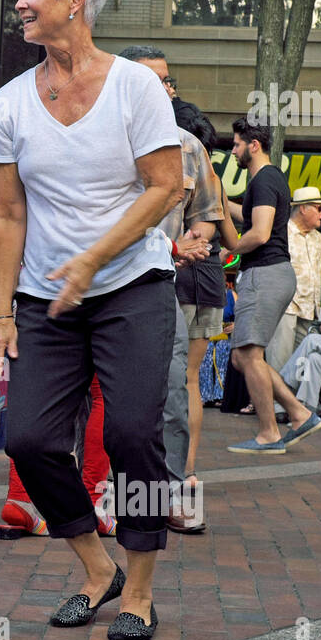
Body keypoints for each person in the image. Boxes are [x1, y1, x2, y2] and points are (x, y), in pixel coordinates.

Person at [0, 0, 183, 640]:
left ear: (75, 1)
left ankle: (141, 587)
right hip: (46, 300)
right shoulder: (10, 102)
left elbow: (167, 186)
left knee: (133, 431)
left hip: (132, 286)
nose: (20, 2)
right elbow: (6, 216)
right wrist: (3, 312)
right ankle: (95, 567)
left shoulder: (134, 87)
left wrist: (94, 256)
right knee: (31, 438)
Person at [119, 44, 225, 534]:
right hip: (95, 285)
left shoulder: (187, 146)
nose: (164, 89)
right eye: (152, 80)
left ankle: (172, 491)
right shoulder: (99, 136)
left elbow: (206, 216)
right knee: (99, 396)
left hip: (160, 286)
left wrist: (190, 242)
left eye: (167, 81)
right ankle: (101, 489)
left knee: (173, 392)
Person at [224, 115, 321, 453]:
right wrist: (223, 203)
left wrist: (231, 249)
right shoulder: (267, 180)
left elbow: (260, 232)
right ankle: (299, 413)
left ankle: (269, 434)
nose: (233, 149)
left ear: (254, 145)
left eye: (237, 144)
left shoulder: (264, 179)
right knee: (243, 357)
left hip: (265, 274)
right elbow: (251, 217)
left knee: (248, 355)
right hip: (272, 274)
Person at [265, 187, 321, 374]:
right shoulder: (280, 232)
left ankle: (292, 403)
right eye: (319, 208)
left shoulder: (318, 238)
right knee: (279, 365)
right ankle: (274, 404)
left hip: (309, 311)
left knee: (300, 368)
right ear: (303, 208)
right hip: (285, 307)